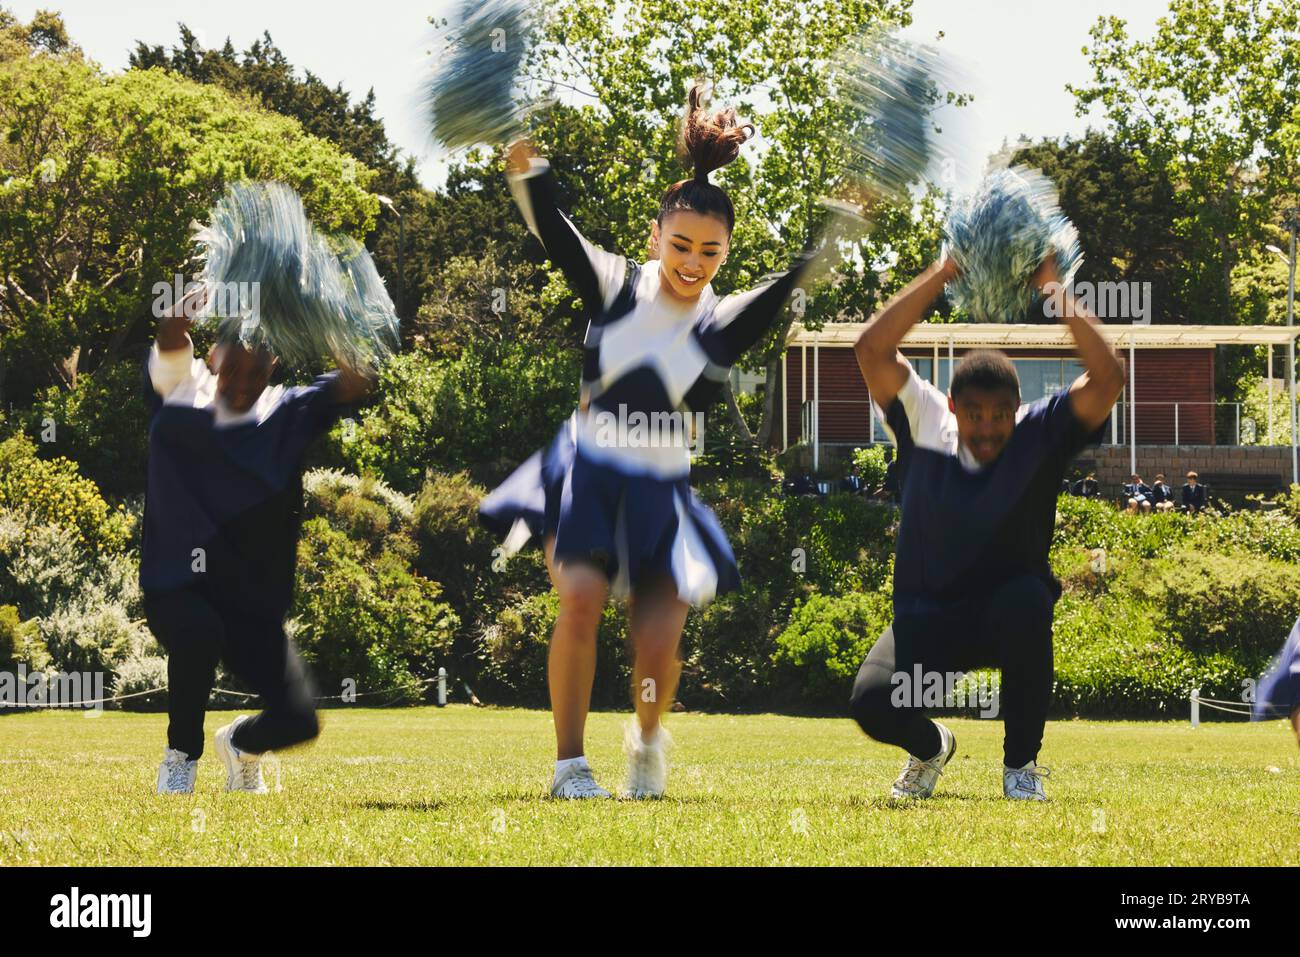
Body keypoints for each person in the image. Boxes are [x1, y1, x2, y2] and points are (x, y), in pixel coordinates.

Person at [478, 83, 825, 799]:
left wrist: (845, 218)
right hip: (587, 470)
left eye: (710, 250)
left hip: (662, 489)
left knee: (658, 643)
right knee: (578, 599)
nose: (693, 261)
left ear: (726, 251)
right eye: (680, 245)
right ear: (655, 238)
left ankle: (644, 738)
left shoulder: (723, 320)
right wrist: (519, 155)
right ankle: (569, 766)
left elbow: (797, 274)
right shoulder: (615, 285)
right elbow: (553, 226)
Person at [848, 254, 1124, 802]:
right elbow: (870, 349)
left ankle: (1020, 767)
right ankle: (931, 748)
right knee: (871, 702)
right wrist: (945, 271)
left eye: (1000, 414)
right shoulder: (925, 420)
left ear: (1017, 409)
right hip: (928, 619)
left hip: (1006, 615)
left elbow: (1110, 374)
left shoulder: (1039, 431)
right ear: (954, 407)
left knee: (1027, 600)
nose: (988, 427)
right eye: (975, 413)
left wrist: (1051, 286)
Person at [145, 285, 373, 795]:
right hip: (177, 587)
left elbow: (359, 377)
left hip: (250, 605)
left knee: (299, 721)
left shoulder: (284, 413)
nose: (242, 384)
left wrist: (323, 314)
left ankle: (241, 743)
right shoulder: (183, 394)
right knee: (199, 630)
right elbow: (169, 333)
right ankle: (181, 756)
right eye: (233, 368)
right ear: (214, 356)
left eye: (256, 371)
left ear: (272, 367)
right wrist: (195, 298)